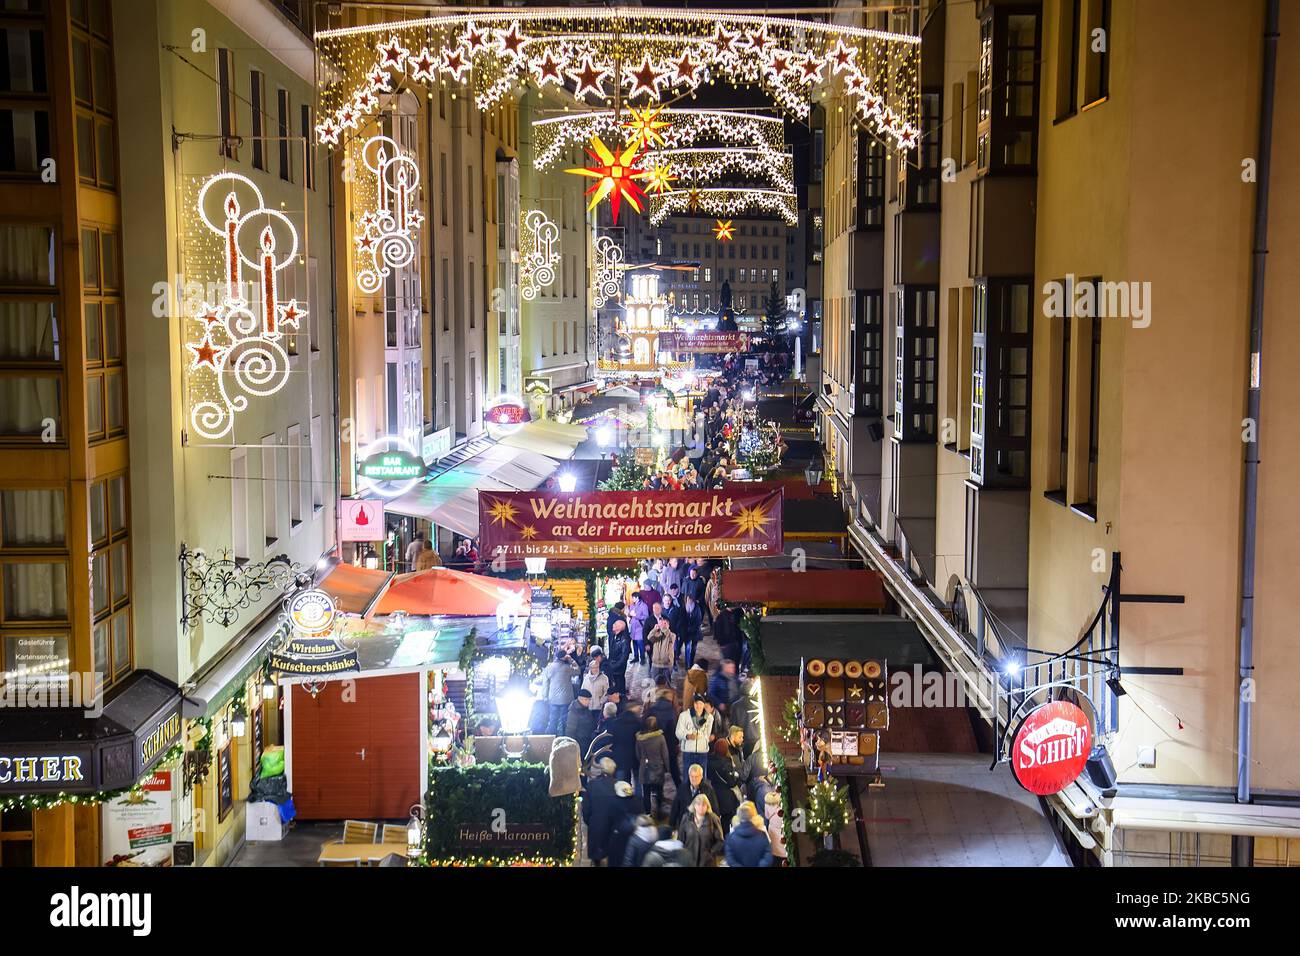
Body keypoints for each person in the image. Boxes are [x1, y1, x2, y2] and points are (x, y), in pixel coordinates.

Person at [582, 763, 621, 866]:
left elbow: (586, 809)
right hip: (614, 828)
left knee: (597, 859)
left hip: (596, 826)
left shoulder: (591, 785)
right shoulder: (618, 785)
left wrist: (589, 821)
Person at [635, 714, 671, 819]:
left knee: (646, 792)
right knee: (659, 791)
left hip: (644, 768)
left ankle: (647, 813)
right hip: (658, 768)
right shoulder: (660, 738)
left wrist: (642, 761)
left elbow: (637, 753)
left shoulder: (640, 739)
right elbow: (665, 754)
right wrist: (667, 768)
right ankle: (659, 812)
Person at [669, 761, 719, 829]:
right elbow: (675, 808)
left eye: (696, 776)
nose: (694, 779)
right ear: (689, 776)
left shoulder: (708, 790)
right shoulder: (682, 788)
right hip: (685, 826)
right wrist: (671, 826)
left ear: (701, 776)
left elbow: (714, 809)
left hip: (703, 827)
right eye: (692, 776)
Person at [678, 794, 725, 867]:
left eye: (703, 805)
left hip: (707, 861)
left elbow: (720, 841)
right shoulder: (686, 818)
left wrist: (710, 852)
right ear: (694, 805)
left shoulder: (713, 819)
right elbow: (680, 839)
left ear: (707, 806)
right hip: (689, 860)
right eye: (698, 804)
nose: (701, 807)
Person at [707, 738, 742, 832]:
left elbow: (709, 777)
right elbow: (731, 782)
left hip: (714, 792)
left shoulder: (710, 760)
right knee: (727, 819)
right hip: (726, 796)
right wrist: (737, 779)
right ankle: (726, 838)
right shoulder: (726, 762)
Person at [675, 694, 714, 780]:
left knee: (702, 777)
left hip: (702, 751)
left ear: (704, 704)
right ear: (693, 704)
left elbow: (707, 733)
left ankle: (701, 793)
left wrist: (705, 740)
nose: (698, 706)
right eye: (696, 703)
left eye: (700, 703)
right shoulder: (684, 716)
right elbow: (678, 732)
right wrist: (687, 736)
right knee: (687, 776)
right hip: (688, 751)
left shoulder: (709, 718)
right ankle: (687, 793)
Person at [725, 801, 774, 867]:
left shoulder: (731, 837)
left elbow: (730, 859)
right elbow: (768, 855)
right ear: (752, 816)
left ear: (738, 816)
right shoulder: (762, 834)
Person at [542, 648, 578, 735]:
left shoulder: (549, 667)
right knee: (564, 720)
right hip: (566, 699)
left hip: (553, 698)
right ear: (564, 657)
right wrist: (571, 660)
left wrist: (545, 696)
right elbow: (578, 670)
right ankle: (562, 740)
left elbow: (545, 683)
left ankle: (550, 739)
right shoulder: (567, 668)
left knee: (553, 720)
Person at [606, 781, 639, 868]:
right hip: (633, 836)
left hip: (617, 837)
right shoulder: (637, 801)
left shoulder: (613, 802)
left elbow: (609, 820)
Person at [608, 700, 641, 786]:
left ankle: (622, 798)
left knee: (621, 782)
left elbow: (611, 739)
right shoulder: (639, 723)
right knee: (637, 781)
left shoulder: (616, 722)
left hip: (620, 756)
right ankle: (639, 799)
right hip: (635, 756)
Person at [646, 603, 676, 684]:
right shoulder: (656, 634)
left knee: (667, 684)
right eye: (661, 623)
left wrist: (663, 627)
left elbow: (667, 634)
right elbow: (649, 638)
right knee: (654, 684)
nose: (662, 625)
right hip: (655, 664)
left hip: (666, 664)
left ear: (668, 625)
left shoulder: (672, 635)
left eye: (665, 623)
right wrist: (655, 629)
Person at [564, 688, 597, 761]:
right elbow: (570, 730)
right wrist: (572, 746)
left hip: (586, 741)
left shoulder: (586, 710)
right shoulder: (573, 712)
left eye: (589, 699)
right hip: (579, 743)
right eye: (586, 699)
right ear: (580, 699)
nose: (588, 702)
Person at [607, 618, 631, 697]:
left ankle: (621, 698)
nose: (613, 625)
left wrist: (616, 665)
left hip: (618, 666)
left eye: (615, 624)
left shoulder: (624, 639)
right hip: (613, 664)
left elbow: (624, 655)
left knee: (619, 682)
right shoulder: (614, 636)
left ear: (620, 627)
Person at [678, 595, 703, 668]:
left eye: (691, 600)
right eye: (688, 600)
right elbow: (681, 620)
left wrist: (692, 628)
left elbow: (698, 620)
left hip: (695, 632)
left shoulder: (697, 608)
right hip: (686, 632)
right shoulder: (683, 608)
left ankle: (691, 661)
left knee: (694, 648)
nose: (689, 601)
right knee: (687, 648)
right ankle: (687, 664)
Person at [764, 792, 788, 866]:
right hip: (782, 833)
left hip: (773, 833)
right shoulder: (782, 806)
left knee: (775, 858)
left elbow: (767, 816)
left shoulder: (767, 804)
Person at [628, 592, 649, 666]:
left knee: (640, 643)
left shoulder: (644, 606)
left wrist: (636, 616)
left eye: (633, 597)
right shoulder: (632, 605)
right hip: (633, 627)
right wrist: (630, 615)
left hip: (640, 627)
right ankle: (636, 657)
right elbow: (630, 614)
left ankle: (642, 658)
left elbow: (646, 617)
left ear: (637, 597)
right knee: (634, 643)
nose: (632, 599)